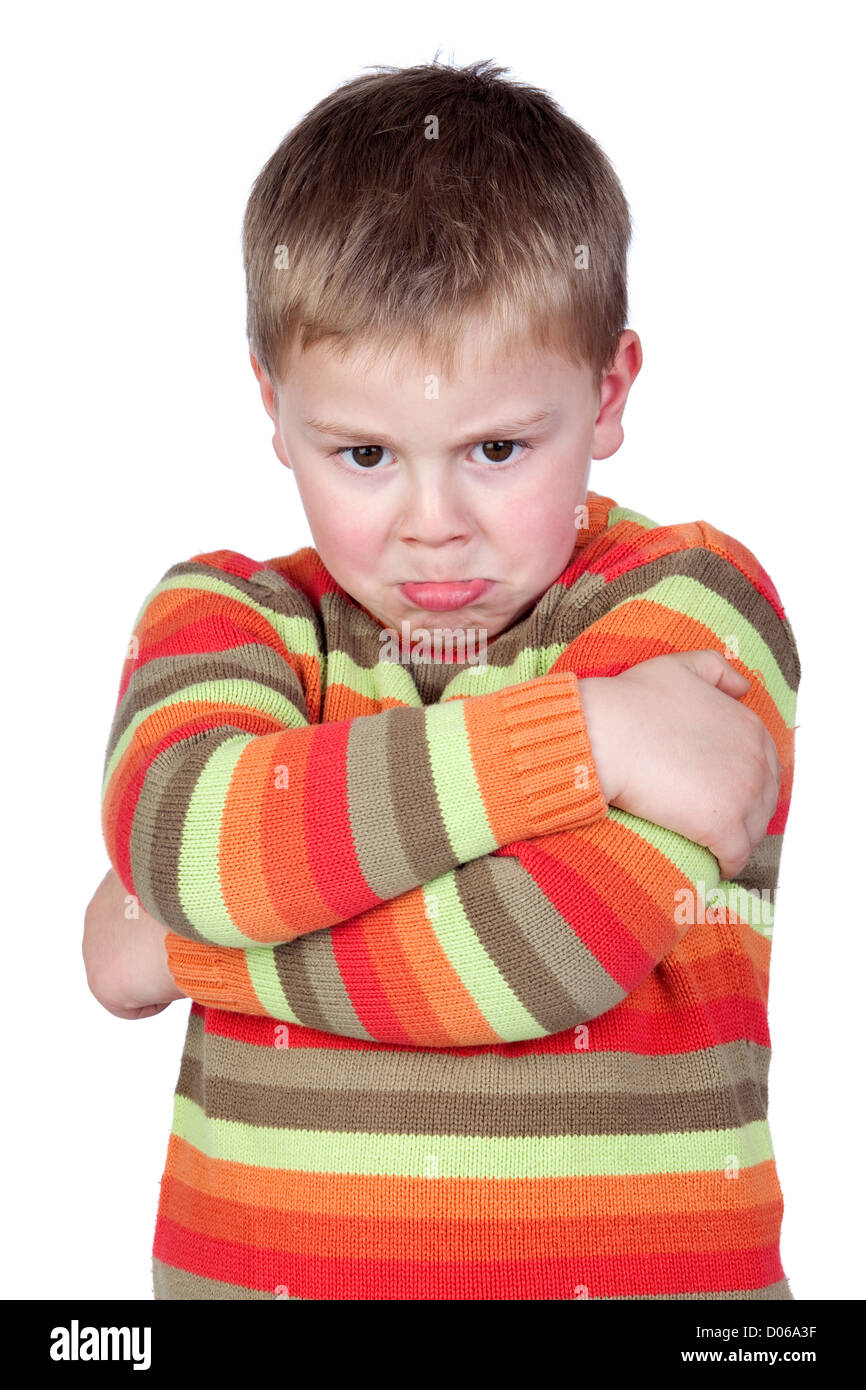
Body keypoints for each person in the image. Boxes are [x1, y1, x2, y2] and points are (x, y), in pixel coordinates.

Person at [84, 58, 799, 1300]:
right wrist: (581, 737)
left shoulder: (686, 605)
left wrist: (182, 942)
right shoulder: (229, 615)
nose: (432, 525)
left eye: (496, 448)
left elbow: (533, 950)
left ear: (607, 391)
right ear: (273, 406)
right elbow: (186, 839)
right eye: (363, 453)